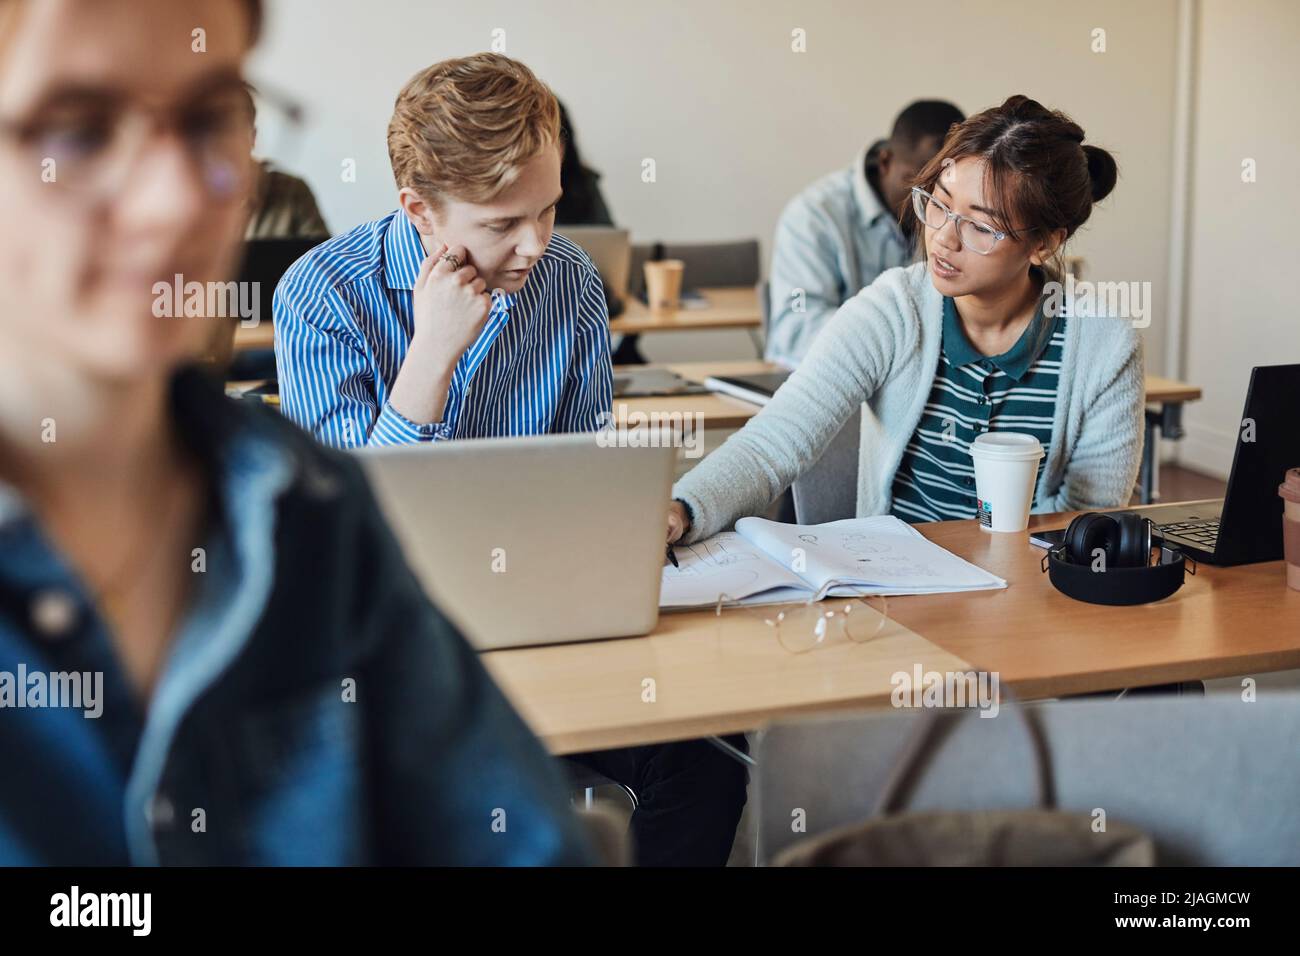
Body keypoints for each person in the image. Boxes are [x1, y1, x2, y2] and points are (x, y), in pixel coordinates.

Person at [0, 0, 593, 865]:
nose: (177, 199)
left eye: (209, 116)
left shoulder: (309, 510)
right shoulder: (324, 335)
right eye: (81, 130)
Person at [668, 95, 1142, 545]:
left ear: (1044, 244)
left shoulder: (1102, 341)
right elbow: (774, 442)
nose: (942, 240)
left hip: (1032, 593)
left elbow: (1088, 519)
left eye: (980, 226)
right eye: (938, 203)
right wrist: (683, 509)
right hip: (897, 591)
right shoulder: (894, 308)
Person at [274, 54, 612, 447]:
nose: (536, 246)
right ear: (421, 211)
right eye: (501, 224)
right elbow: (341, 504)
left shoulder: (571, 275)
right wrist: (433, 351)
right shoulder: (320, 293)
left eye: (548, 209)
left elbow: (588, 469)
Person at [766, 100, 965, 367]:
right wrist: (898, 338)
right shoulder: (813, 216)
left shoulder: (956, 218)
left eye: (941, 187)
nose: (929, 199)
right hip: (821, 374)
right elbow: (798, 327)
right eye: (917, 182)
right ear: (886, 162)